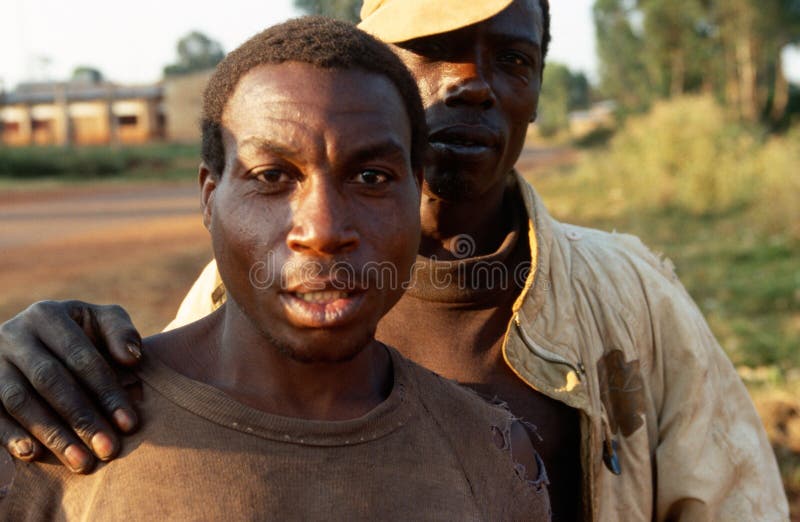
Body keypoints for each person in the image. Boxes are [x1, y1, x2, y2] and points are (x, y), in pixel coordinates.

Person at [0, 0, 789, 520]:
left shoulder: (629, 298)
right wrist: (33, 359)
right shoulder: (246, 291)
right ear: (361, 60)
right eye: (434, 50)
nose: (474, 84)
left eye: (512, 60)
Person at [0, 16, 551, 521]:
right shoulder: (58, 430)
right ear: (209, 198)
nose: (324, 229)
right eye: (271, 176)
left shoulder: (492, 455)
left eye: (372, 177)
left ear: (416, 192)